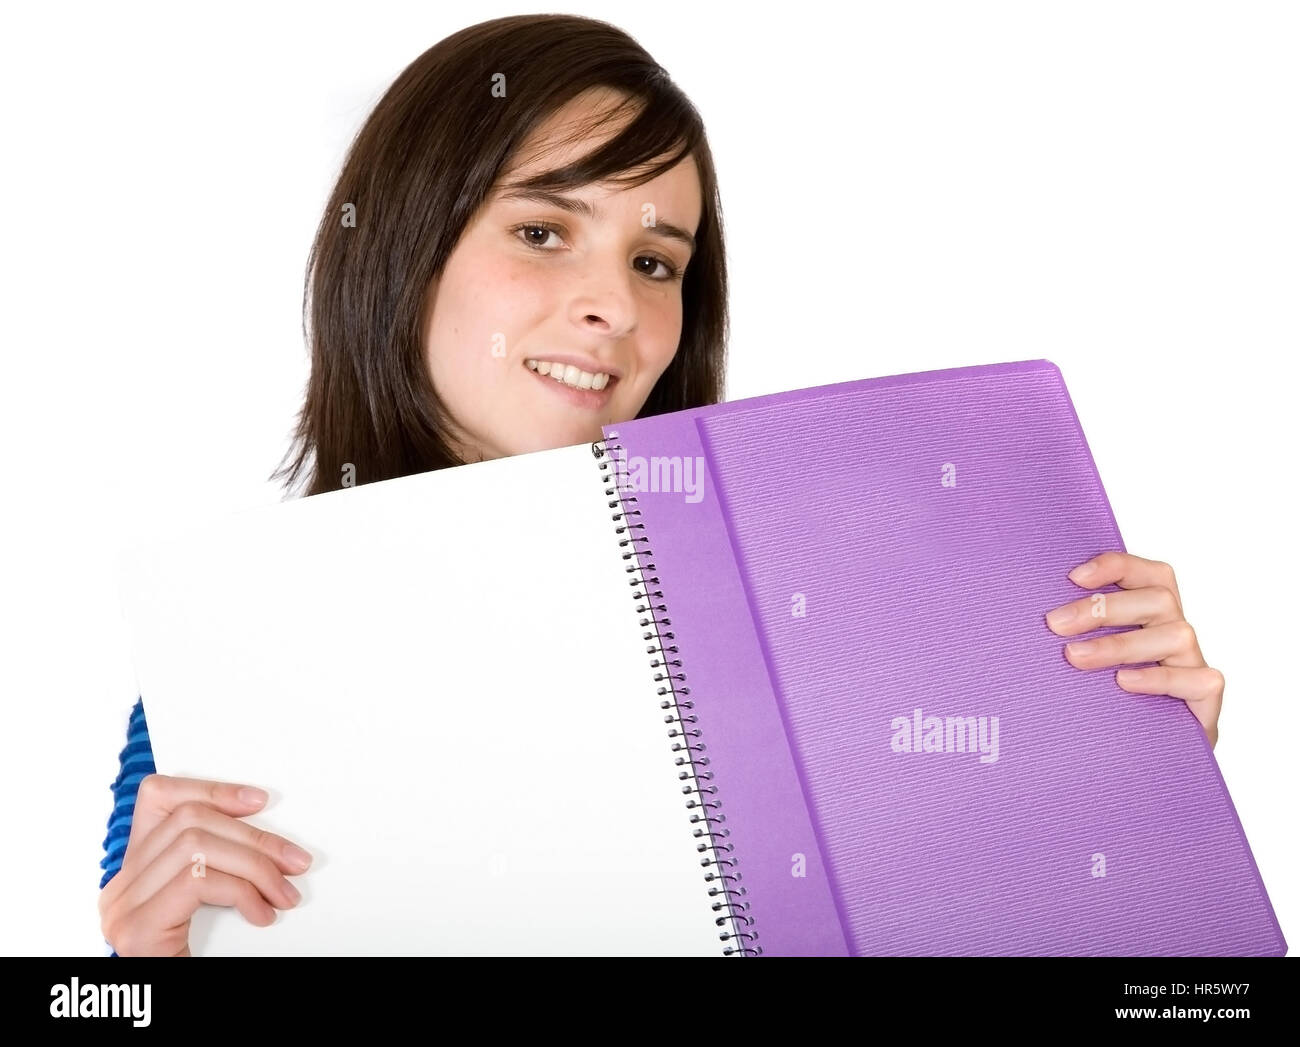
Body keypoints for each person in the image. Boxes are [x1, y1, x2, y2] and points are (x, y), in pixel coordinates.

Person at [97, 13, 1226, 958]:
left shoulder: (830, 596)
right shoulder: (234, 661)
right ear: (397, 254)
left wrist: (1124, 775)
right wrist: (141, 972)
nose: (617, 308)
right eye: (543, 229)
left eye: (655, 262)